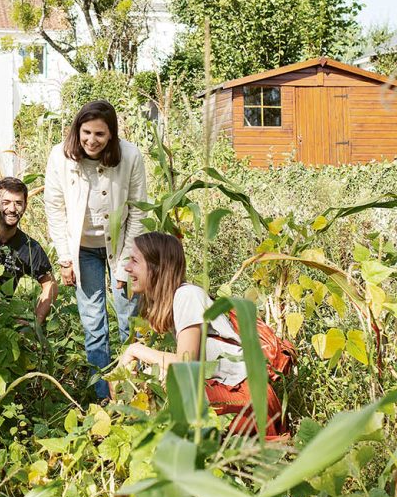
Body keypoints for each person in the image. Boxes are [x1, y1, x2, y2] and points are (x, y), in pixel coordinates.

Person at [114, 232, 282, 437]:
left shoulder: (187, 295)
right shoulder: (178, 299)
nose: (127, 268)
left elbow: (185, 364)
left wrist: (135, 350)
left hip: (245, 399)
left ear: (157, 267)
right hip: (234, 395)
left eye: (134, 260)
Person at [44, 100, 147, 400]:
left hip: (124, 245)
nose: (91, 140)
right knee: (94, 325)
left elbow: (138, 212)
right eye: (86, 132)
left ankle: (134, 391)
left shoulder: (130, 156)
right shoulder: (60, 157)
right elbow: (55, 208)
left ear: (111, 136)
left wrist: (124, 265)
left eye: (100, 134)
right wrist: (65, 258)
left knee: (130, 319)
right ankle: (104, 396)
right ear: (77, 131)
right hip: (83, 250)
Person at [0, 177, 58, 322]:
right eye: (6, 203)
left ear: (25, 206)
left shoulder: (30, 247)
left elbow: (51, 284)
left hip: (0, 322)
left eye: (18, 203)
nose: (12, 209)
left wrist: (36, 321)